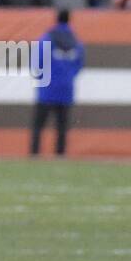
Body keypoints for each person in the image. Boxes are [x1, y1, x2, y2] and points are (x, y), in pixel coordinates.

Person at [30, 10, 84, 157]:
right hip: (66, 89)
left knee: (38, 126)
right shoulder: (76, 42)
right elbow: (79, 64)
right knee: (62, 127)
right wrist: (68, 77)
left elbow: (36, 61)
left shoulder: (46, 39)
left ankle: (34, 155)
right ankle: (60, 155)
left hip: (46, 89)